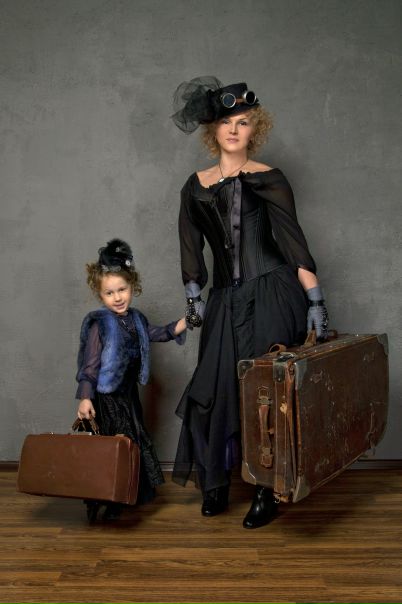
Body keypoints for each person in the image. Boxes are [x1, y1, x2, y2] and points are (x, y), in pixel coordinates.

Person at [170, 76, 329, 529]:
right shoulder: (194, 186)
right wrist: (194, 298)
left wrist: (315, 299)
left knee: (266, 394)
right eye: (226, 122)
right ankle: (216, 483)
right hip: (224, 300)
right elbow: (190, 247)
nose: (234, 130)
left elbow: (294, 243)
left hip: (271, 294)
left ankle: (266, 490)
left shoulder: (268, 178)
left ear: (254, 129)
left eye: (243, 122)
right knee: (213, 389)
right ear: (213, 129)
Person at [76, 238, 187, 522]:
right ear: (100, 294)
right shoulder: (100, 324)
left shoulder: (136, 319)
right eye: (109, 293)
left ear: (132, 286)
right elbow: (90, 365)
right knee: (114, 446)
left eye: (122, 290)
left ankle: (125, 493)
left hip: (128, 395)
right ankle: (106, 497)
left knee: (131, 443)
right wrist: (86, 397)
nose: (117, 297)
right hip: (107, 398)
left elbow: (158, 333)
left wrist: (184, 322)